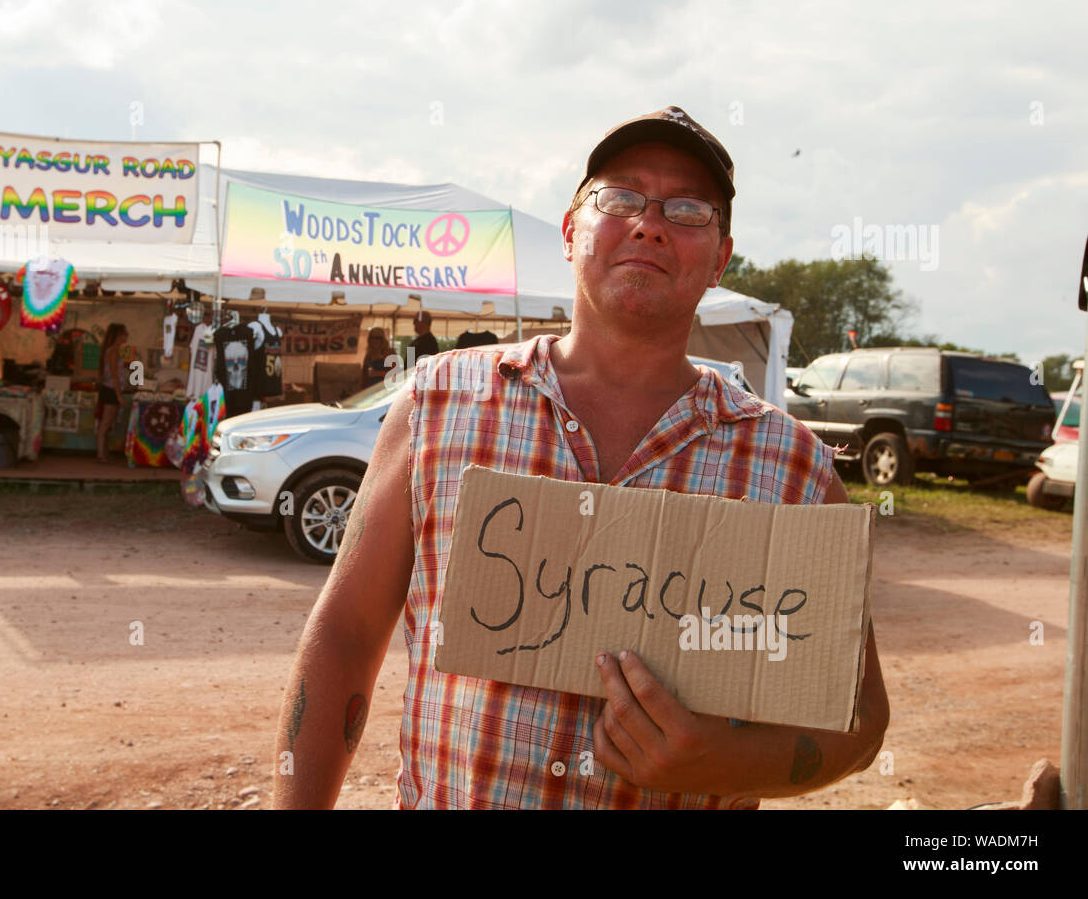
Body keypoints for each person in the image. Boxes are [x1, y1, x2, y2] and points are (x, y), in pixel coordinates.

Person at [273, 106, 889, 809]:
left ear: (721, 258)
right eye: (621, 198)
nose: (650, 224)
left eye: (689, 211)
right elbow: (346, 637)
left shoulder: (792, 467)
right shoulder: (440, 403)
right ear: (571, 232)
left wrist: (727, 762)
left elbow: (860, 719)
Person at [95, 322, 128, 462]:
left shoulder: (111, 350)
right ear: (119, 335)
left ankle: (104, 452)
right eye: (125, 334)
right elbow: (114, 375)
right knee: (106, 423)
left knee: (107, 423)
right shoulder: (113, 352)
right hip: (111, 390)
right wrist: (119, 395)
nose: (126, 337)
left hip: (109, 389)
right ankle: (101, 453)